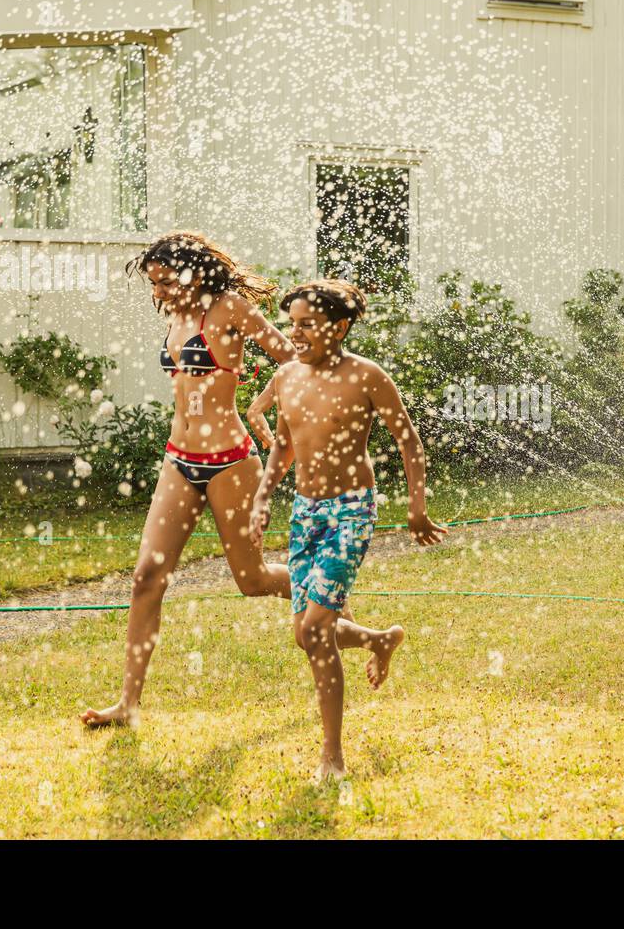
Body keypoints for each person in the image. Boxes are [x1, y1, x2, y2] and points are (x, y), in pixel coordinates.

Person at [81, 232, 296, 728]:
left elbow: (293, 360)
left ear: (193, 272)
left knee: (252, 579)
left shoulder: (231, 309)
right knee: (147, 577)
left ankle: (319, 587)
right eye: (152, 284)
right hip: (179, 460)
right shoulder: (179, 314)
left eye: (164, 281)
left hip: (231, 461)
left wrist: (267, 408)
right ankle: (127, 705)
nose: (158, 292)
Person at [249, 278, 446, 780]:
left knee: (314, 630)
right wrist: (263, 497)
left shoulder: (366, 376)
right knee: (306, 634)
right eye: (291, 323)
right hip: (305, 513)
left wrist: (416, 508)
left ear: (338, 327)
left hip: (351, 511)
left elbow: (409, 442)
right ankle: (379, 639)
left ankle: (331, 757)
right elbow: (285, 445)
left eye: (307, 325)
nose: (295, 333)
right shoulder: (289, 377)